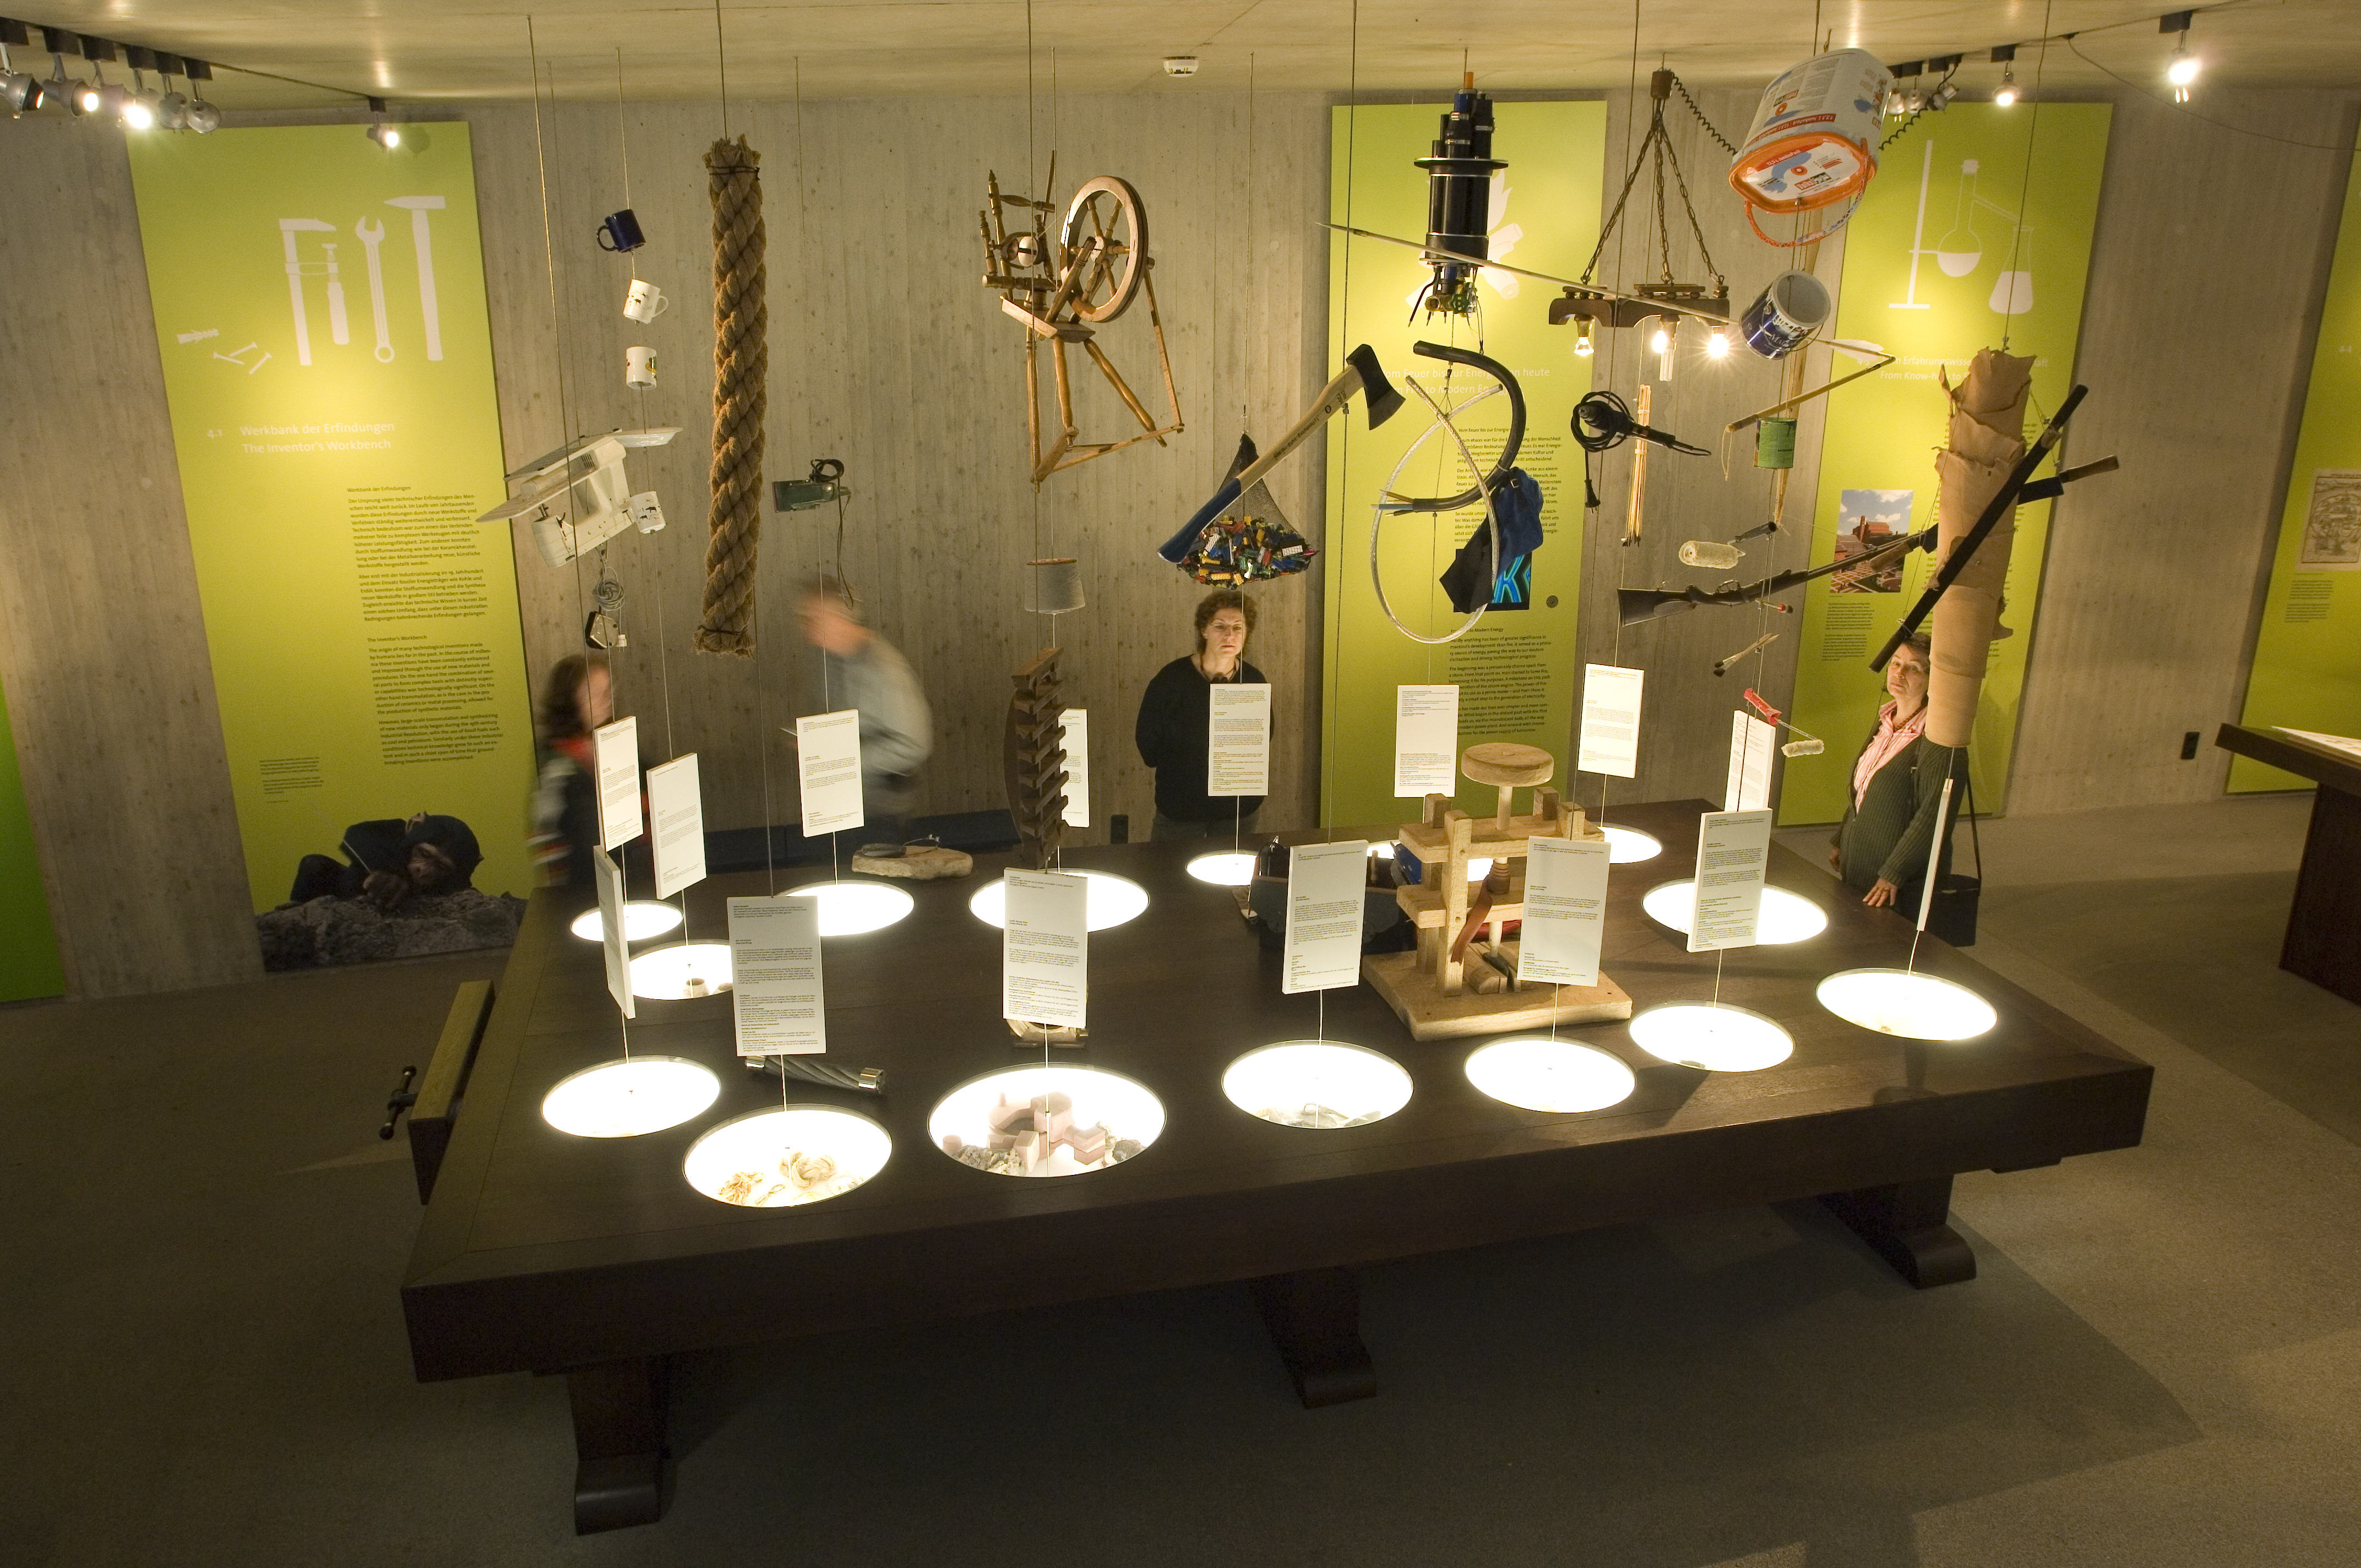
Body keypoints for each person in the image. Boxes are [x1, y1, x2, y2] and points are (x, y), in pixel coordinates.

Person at [796, 576, 933, 856]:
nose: (806, 627)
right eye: (804, 619)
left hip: (880, 815)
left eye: (814, 618)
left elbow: (915, 744)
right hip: (843, 807)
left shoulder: (883, 669)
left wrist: (839, 761)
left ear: (840, 618)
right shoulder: (830, 660)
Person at [1830, 632, 1964, 910]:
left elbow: (1934, 817)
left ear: (1933, 679)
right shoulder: (1886, 721)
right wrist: (1842, 839)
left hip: (1896, 884)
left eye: (1913, 668)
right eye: (1895, 663)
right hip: (1861, 864)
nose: (1899, 673)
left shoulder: (1939, 740)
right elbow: (1864, 788)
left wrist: (1894, 872)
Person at [1135, 591, 1265, 842]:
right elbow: (1148, 745)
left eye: (1238, 628)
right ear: (1204, 630)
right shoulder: (1171, 679)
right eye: (1220, 627)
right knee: (1169, 866)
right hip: (1181, 808)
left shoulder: (1253, 680)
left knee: (1232, 869)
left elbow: (1262, 739)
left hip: (1237, 810)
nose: (1230, 636)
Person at [528, 654, 610, 889]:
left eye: (607, 691)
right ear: (569, 699)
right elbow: (545, 834)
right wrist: (563, 895)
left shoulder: (609, 745)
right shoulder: (556, 763)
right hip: (581, 887)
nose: (605, 701)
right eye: (594, 694)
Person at [289, 813, 482, 911]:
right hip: (345, 892)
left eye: (440, 866)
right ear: (413, 826)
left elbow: (462, 886)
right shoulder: (396, 831)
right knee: (314, 864)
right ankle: (295, 911)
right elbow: (355, 835)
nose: (422, 870)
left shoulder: (456, 880)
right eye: (423, 854)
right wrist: (390, 871)